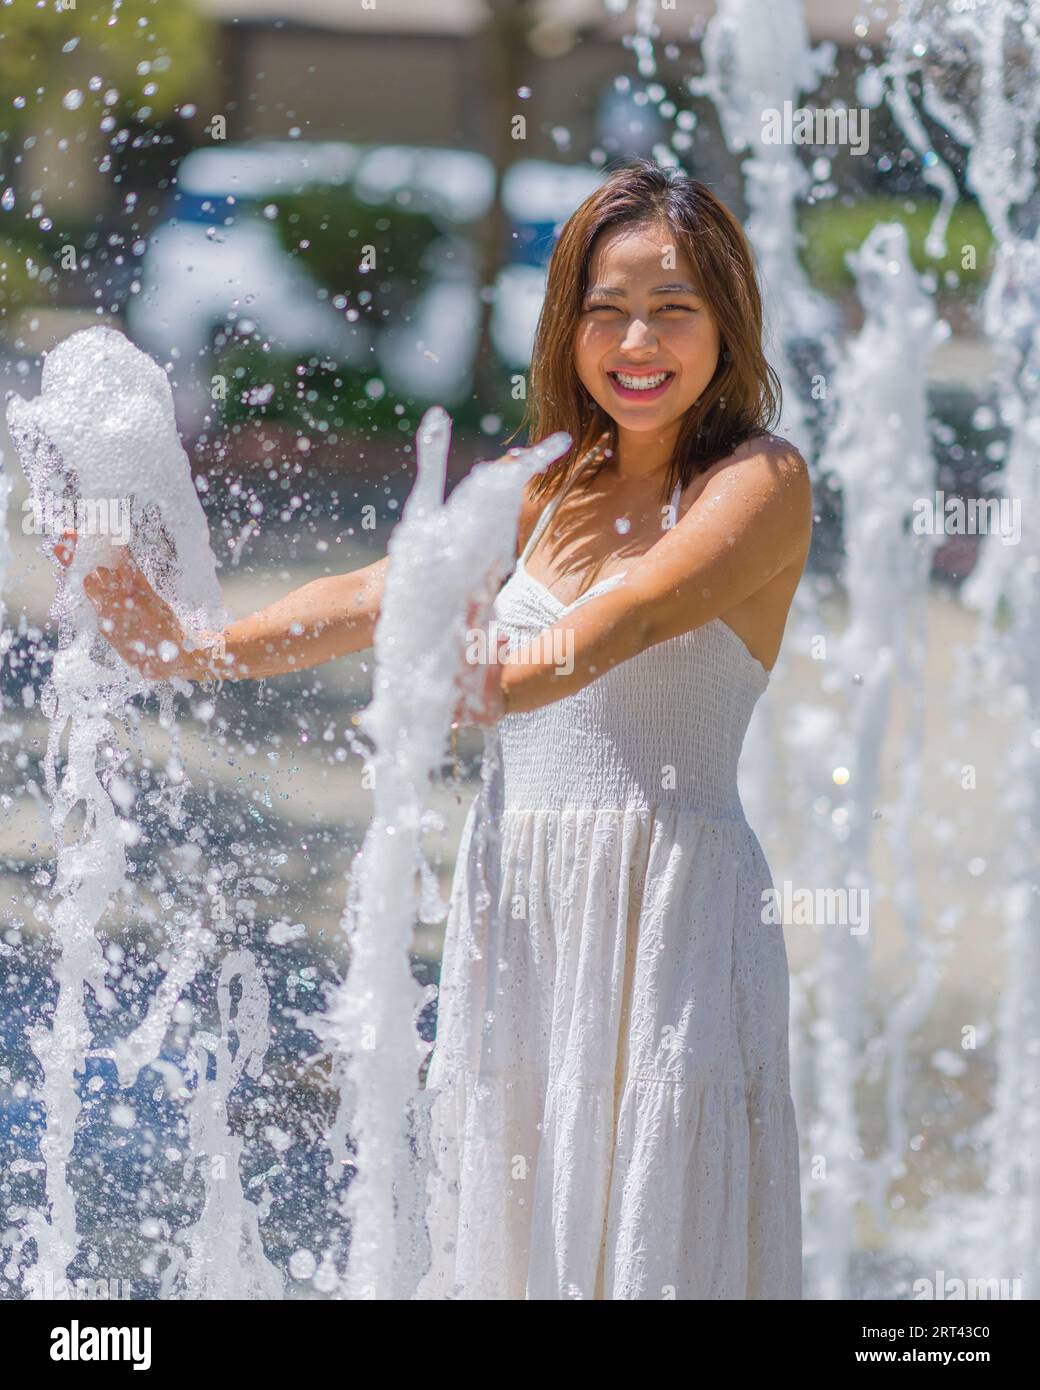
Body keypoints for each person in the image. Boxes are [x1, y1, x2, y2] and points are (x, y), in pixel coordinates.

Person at [76, 159, 812, 1300]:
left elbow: (639, 608)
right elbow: (379, 591)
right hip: (521, 900)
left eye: (673, 310)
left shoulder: (759, 480)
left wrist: (497, 676)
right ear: (566, 326)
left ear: (726, 325)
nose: (638, 341)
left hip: (662, 906)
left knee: (654, 1224)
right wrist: (191, 645)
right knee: (514, 1228)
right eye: (605, 310)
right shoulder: (550, 485)